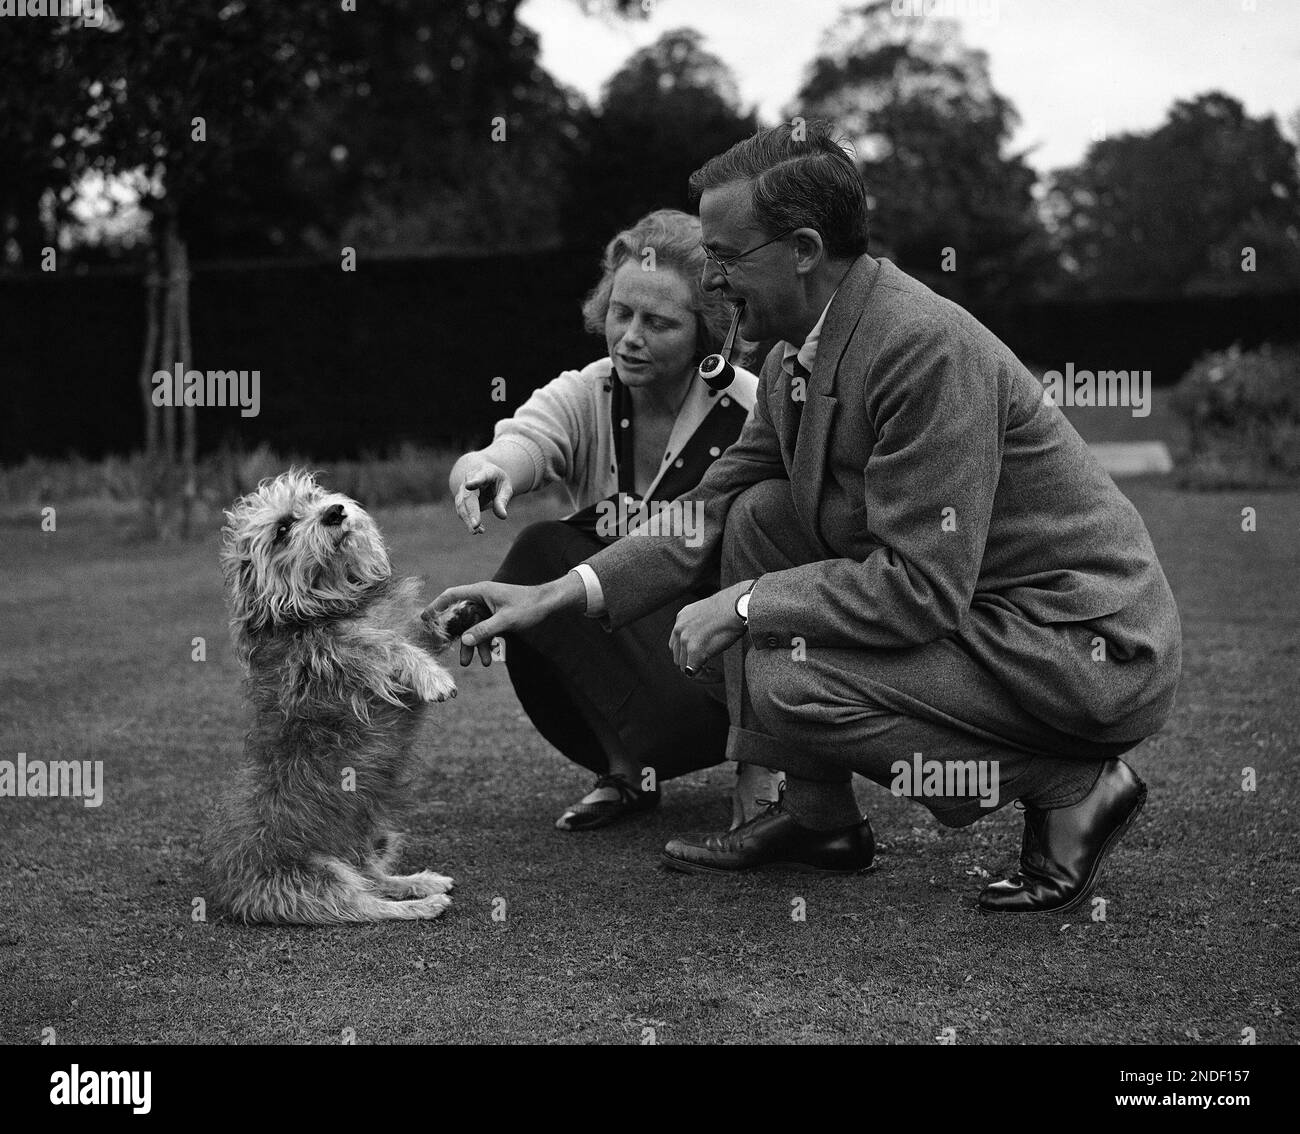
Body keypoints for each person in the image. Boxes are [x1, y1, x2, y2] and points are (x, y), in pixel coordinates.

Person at [431, 123, 1182, 914]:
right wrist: (555, 594)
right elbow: (712, 510)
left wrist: (747, 605)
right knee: (758, 513)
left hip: (1077, 644)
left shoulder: (922, 348)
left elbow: (920, 587)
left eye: (724, 256)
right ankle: (818, 818)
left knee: (787, 679)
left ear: (802, 248)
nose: (713, 283)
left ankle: (1073, 787)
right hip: (990, 617)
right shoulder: (795, 351)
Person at [447, 208, 775, 832]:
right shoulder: (589, 390)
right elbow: (525, 441)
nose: (629, 336)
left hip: (721, 678)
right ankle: (625, 771)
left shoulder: (751, 407)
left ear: (707, 330)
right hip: (621, 678)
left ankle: (760, 768)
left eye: (658, 323)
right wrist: (486, 470)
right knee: (541, 551)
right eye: (621, 312)